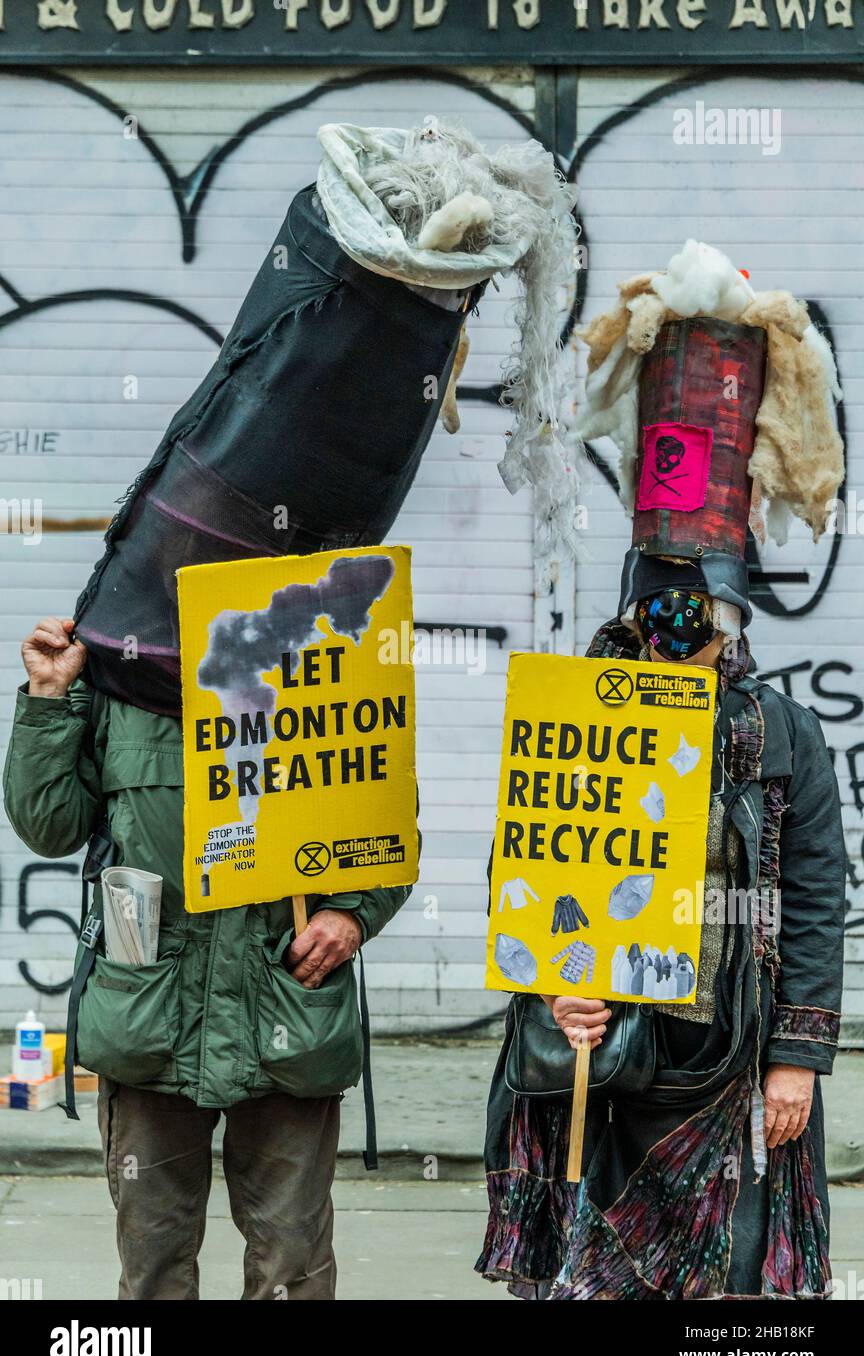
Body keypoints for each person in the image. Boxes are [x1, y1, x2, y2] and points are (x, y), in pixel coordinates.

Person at [476, 305, 846, 1300]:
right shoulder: (574, 716)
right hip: (605, 1055)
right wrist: (555, 987)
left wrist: (797, 1062)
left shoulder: (783, 735)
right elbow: (526, 871)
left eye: (702, 615)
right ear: (635, 612)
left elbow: (815, 898)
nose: (680, 635)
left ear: (732, 623)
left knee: (724, 1294)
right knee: (594, 1280)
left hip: (729, 1065)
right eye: (663, 612)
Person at [3, 616, 411, 1301]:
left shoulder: (330, 668)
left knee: (293, 1271)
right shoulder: (119, 677)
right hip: (150, 1019)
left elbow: (389, 827)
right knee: (153, 1269)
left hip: (288, 1013)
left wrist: (353, 914)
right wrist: (49, 698)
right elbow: (49, 825)